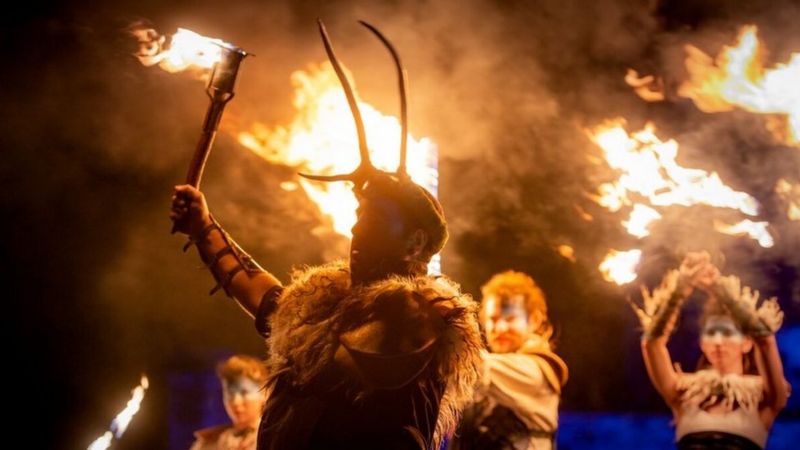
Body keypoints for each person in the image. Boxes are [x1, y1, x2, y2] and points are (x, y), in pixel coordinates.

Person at [170, 20, 482, 450]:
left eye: (374, 219)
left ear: (414, 243)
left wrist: (300, 318)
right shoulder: (325, 304)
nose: (357, 227)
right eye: (359, 214)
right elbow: (269, 300)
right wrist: (204, 227)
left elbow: (330, 353)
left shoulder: (422, 316)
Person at [635, 251, 790, 449]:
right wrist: (680, 289)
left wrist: (719, 288)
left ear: (746, 343)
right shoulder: (683, 393)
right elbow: (651, 343)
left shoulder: (766, 397)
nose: (718, 341)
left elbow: (765, 340)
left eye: (727, 333)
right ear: (702, 344)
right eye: (711, 334)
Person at [449, 271, 568, 450]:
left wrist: (444, 326)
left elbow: (475, 364)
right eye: (493, 319)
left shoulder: (535, 371)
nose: (501, 327)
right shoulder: (491, 368)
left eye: (511, 318)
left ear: (534, 320)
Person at [190, 355, 268, 450]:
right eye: (230, 393)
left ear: (264, 393)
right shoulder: (207, 444)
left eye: (244, 392)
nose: (236, 402)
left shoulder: (274, 438)